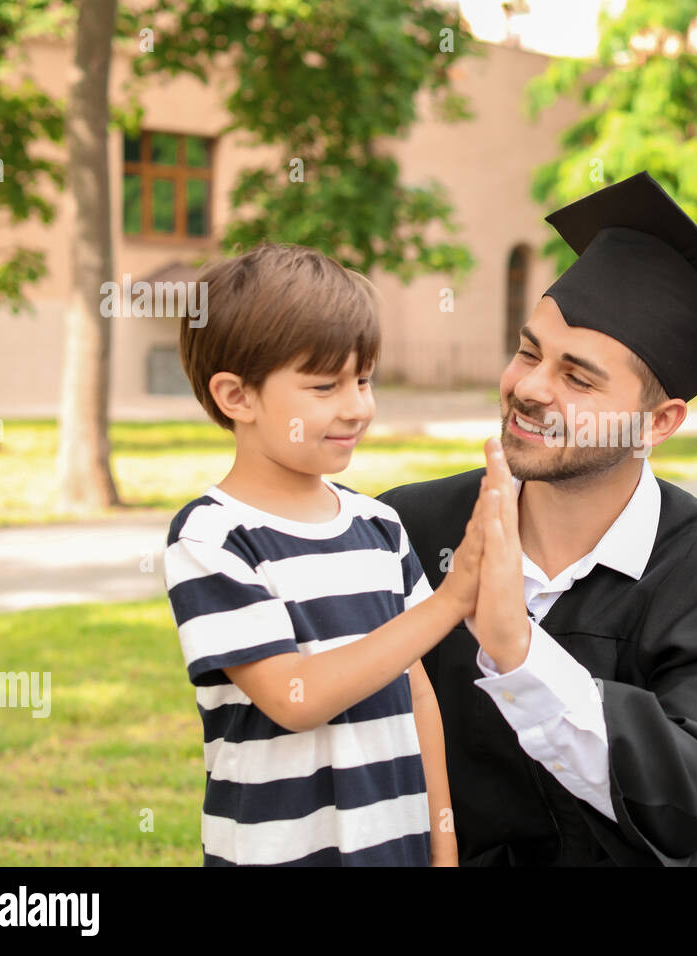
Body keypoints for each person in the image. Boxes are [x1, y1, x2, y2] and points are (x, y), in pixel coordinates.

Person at [379, 171, 697, 866]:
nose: (528, 388)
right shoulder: (408, 528)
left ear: (658, 423)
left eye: (577, 378)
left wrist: (518, 652)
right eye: (528, 352)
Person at [162, 243, 492, 866]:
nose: (357, 406)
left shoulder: (379, 525)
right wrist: (450, 601)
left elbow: (419, 693)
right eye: (324, 386)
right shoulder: (213, 539)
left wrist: (443, 847)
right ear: (237, 397)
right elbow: (295, 698)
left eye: (363, 379)